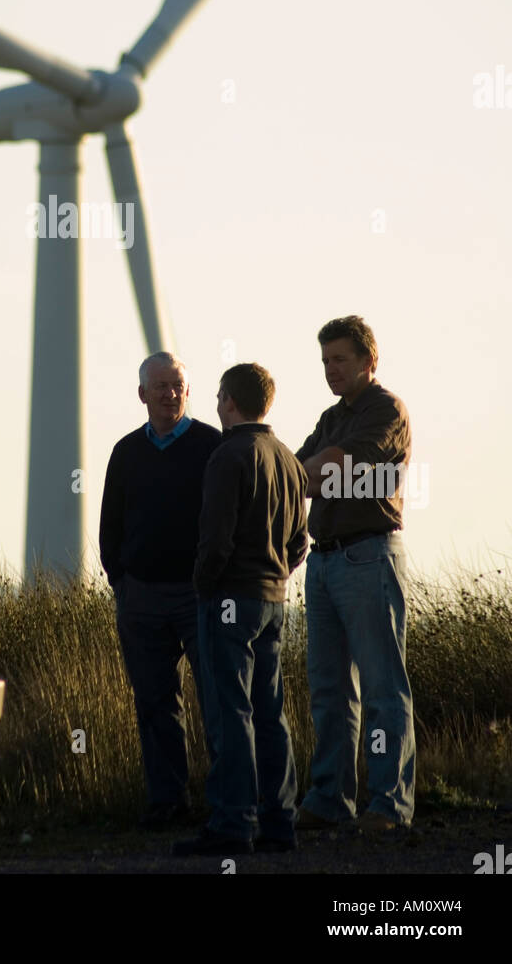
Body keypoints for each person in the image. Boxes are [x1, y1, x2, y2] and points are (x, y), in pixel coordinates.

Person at [173, 363, 308, 856]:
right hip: (274, 599)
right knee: (270, 711)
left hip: (229, 598)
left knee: (230, 710)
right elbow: (300, 542)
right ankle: (279, 822)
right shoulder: (289, 460)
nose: (214, 404)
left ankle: (233, 822)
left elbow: (215, 540)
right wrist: (276, 575)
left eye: (217, 396)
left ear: (229, 401)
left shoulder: (228, 455)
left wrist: (205, 588)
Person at [294, 315, 414, 833]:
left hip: (367, 557)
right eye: (324, 361)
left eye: (339, 359)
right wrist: (318, 470)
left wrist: (320, 469)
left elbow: (336, 466)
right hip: (322, 560)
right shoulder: (329, 416)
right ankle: (330, 798)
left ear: (369, 360)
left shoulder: (385, 409)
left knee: (383, 688)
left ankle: (390, 805)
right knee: (329, 689)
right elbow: (300, 474)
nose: (330, 369)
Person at [99, 351, 221, 829]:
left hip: (198, 595)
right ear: (142, 395)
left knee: (217, 698)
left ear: (188, 393)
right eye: (161, 387)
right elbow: (111, 523)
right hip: (142, 597)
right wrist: (120, 581)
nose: (170, 394)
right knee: (153, 701)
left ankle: (226, 801)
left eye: (178, 386)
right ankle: (168, 801)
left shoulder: (212, 446)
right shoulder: (126, 452)